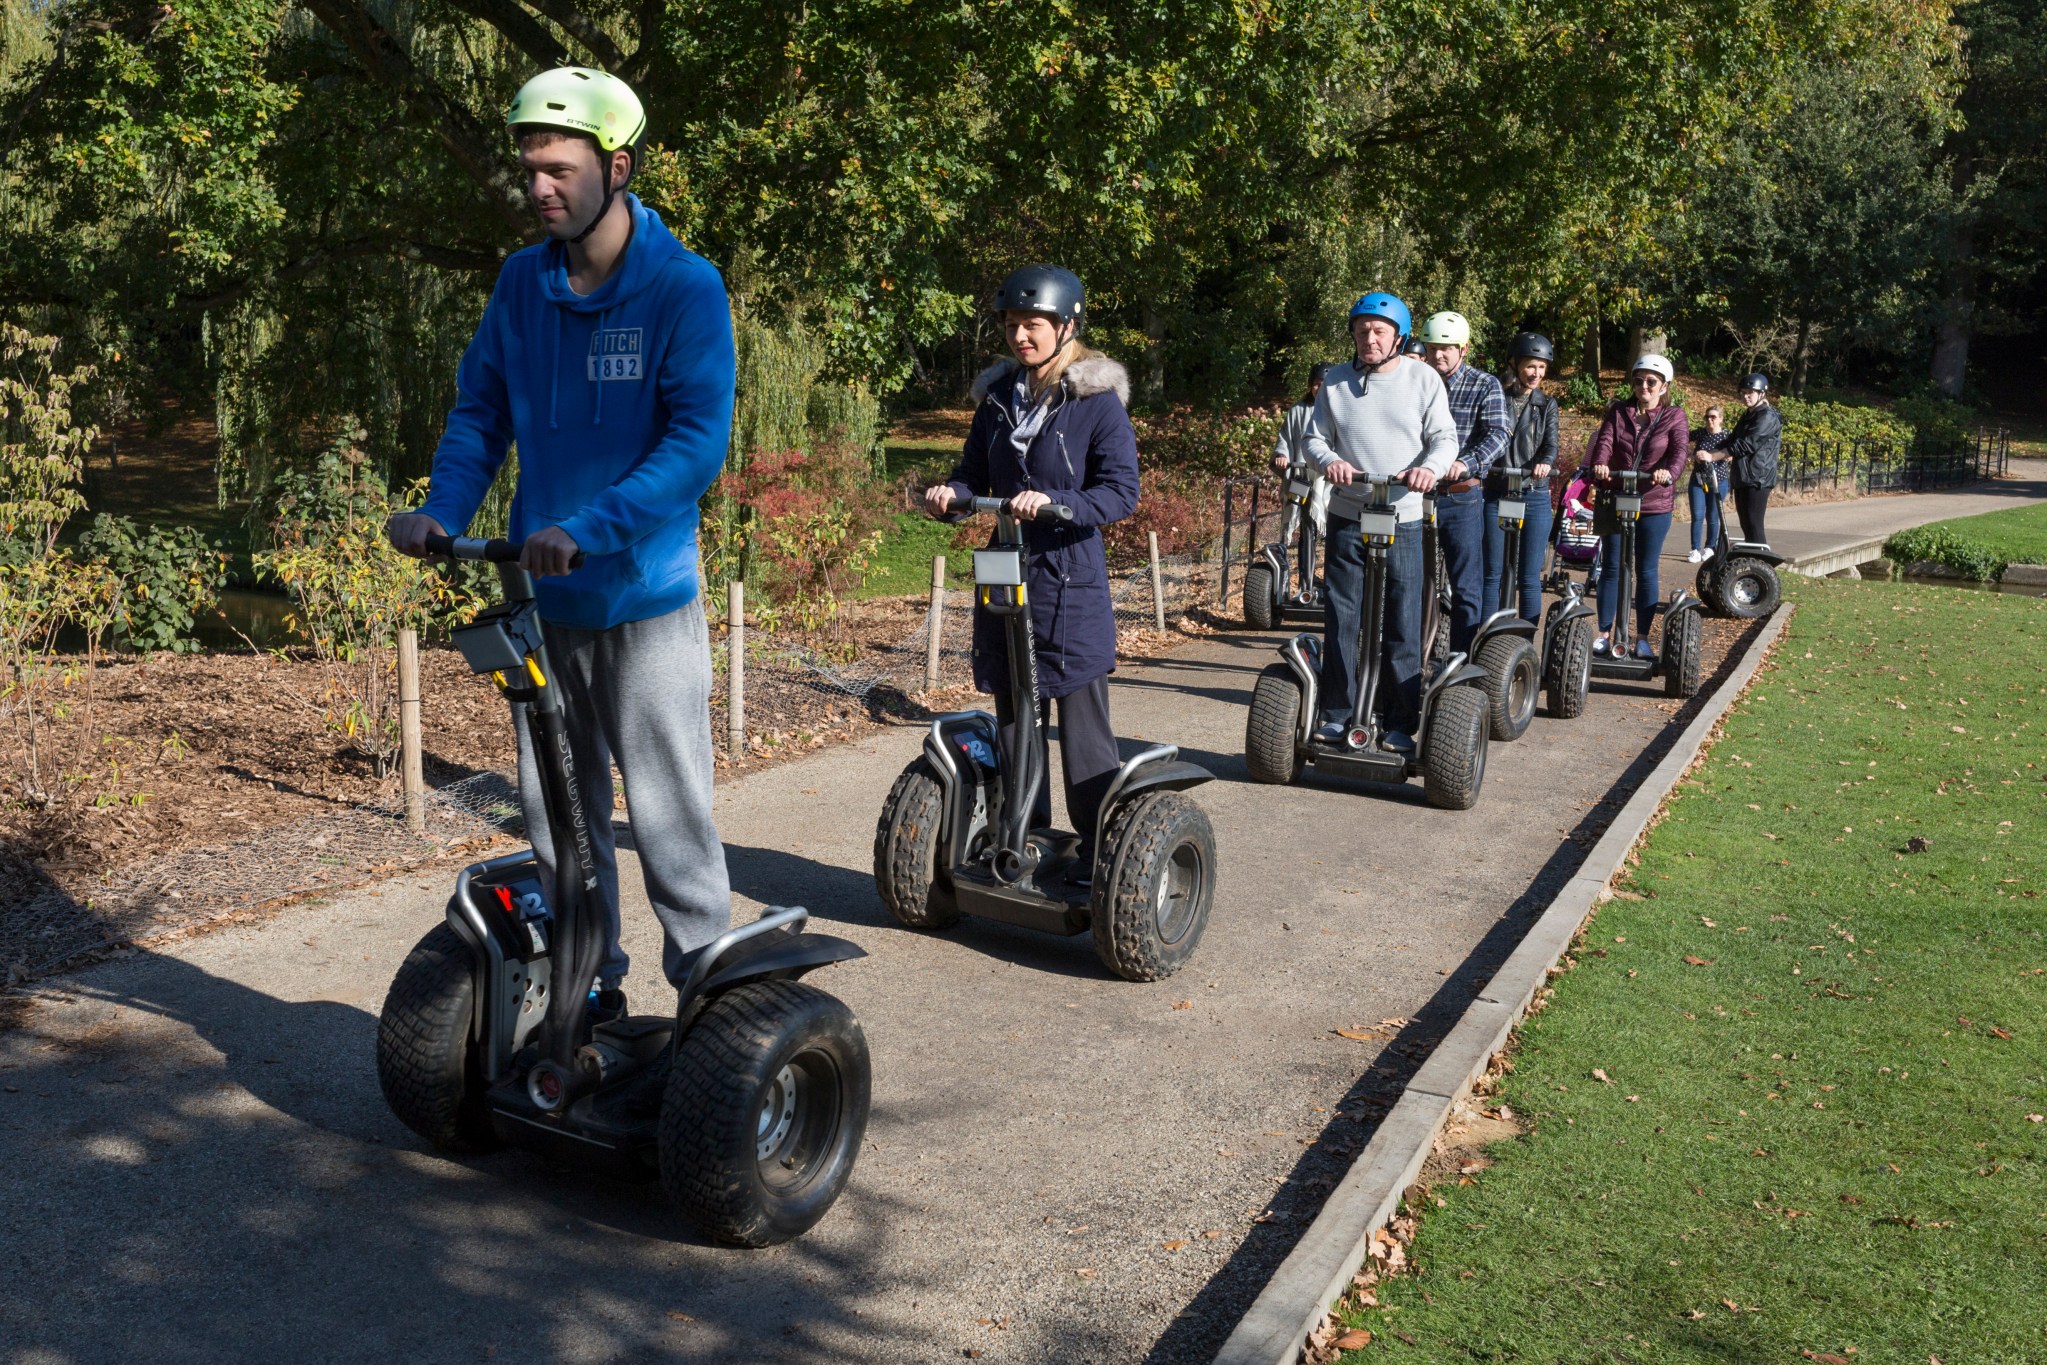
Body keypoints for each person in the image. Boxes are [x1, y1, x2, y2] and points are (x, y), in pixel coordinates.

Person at [385, 68, 736, 1020]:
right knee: (557, 817)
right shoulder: (520, 282)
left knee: (667, 815)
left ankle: (713, 999)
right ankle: (592, 989)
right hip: (549, 601)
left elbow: (695, 443)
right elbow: (480, 413)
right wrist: (444, 511)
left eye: (558, 168)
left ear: (615, 168)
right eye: (529, 168)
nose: (538, 186)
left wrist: (589, 529)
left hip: (643, 598)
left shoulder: (682, 288)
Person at [922, 265, 1138, 881]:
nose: (1021, 337)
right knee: (1014, 708)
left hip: (1068, 573)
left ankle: (1105, 856)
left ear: (1066, 327)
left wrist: (1058, 503)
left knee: (1081, 719)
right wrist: (951, 494)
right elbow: (974, 474)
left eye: (1033, 325)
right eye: (1013, 325)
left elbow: (1121, 492)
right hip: (1004, 565)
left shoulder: (1095, 404)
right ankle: (1025, 836)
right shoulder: (996, 399)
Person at [1301, 292, 1459, 752]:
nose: (1369, 338)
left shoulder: (1423, 378)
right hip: (1349, 512)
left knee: (1403, 619)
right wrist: (1328, 460)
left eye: (1379, 331)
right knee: (1342, 616)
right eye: (1362, 330)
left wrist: (1430, 468)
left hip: (1404, 514)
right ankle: (1335, 713)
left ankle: (1400, 721)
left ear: (1397, 337)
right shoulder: (1334, 381)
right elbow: (1314, 439)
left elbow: (1444, 436)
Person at [1587, 354, 1690, 659]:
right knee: (1612, 567)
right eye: (1638, 380)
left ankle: (1642, 637)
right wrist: (1601, 465)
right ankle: (1605, 634)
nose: (1643, 386)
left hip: (1654, 502)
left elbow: (1680, 451)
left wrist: (1668, 473)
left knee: (1645, 569)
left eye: (1651, 381)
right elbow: (1604, 442)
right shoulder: (1619, 411)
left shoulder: (1674, 416)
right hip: (1617, 496)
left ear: (1664, 386)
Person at [1417, 311, 1508, 653]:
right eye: (1432, 347)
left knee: (1466, 586)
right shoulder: (1415, 381)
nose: (1437, 354)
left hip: (1459, 496)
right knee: (1409, 582)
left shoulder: (1484, 385)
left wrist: (1464, 463)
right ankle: (1409, 662)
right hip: (1415, 495)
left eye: (1446, 348)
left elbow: (1500, 433)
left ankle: (1461, 664)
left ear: (1463, 348)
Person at [1482, 332, 1559, 623]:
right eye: (1530, 366)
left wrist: (1545, 462)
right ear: (1515, 365)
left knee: (1529, 575)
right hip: (1497, 489)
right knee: (1493, 573)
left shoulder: (1546, 404)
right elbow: (1485, 435)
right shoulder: (1496, 397)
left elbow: (1551, 444)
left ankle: (1526, 640)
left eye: (1541, 367)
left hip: (1534, 491)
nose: (1536, 373)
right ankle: (1486, 638)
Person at [1271, 363, 1334, 600]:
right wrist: (1282, 455)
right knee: (1305, 533)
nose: (1320, 389)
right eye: (1316, 384)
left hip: (1329, 483)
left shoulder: (1338, 408)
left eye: (1324, 384)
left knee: (1332, 535)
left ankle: (1331, 586)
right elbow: (1285, 438)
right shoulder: (1298, 410)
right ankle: (1304, 585)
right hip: (1302, 477)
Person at [1722, 372, 1782, 544]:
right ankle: (1752, 564)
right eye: (1743, 393)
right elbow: (1733, 439)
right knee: (1746, 525)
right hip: (1743, 477)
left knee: (1754, 526)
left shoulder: (1767, 417)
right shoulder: (1748, 415)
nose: (1746, 396)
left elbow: (1747, 444)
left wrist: (1715, 456)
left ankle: (1762, 567)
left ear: (1761, 393)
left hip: (1758, 479)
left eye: (1750, 393)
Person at [1686, 404, 1730, 563]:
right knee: (1697, 515)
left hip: (1718, 481)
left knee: (1713, 515)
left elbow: (1732, 453)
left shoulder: (1727, 435)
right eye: (1707, 417)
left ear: (1720, 419)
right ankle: (1694, 549)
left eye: (1713, 417)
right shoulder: (1700, 433)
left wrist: (1714, 456)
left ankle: (1710, 547)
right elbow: (1681, 440)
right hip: (1698, 480)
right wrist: (1691, 454)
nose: (1710, 420)